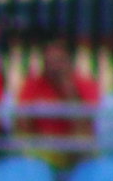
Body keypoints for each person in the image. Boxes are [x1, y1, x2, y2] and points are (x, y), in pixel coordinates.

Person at [15, 37, 100, 169]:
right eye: (49, 61)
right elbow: (21, 122)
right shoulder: (33, 84)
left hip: (72, 146)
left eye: (58, 61)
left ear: (69, 61)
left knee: (82, 138)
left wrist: (67, 88)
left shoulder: (85, 84)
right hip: (42, 145)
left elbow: (86, 121)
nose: (53, 66)